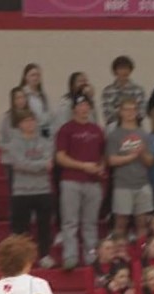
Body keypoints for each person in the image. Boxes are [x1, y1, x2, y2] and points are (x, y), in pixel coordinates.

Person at [55, 94, 106, 270]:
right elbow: (60, 157)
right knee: (70, 221)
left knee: (90, 222)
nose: (84, 108)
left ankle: (91, 255)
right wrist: (83, 166)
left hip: (93, 182)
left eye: (86, 105)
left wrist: (100, 167)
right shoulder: (66, 129)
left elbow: (102, 154)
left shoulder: (97, 130)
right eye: (80, 105)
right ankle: (70, 256)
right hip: (71, 181)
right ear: (74, 109)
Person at [7, 109, 55, 268]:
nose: (30, 124)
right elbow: (19, 164)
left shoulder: (45, 142)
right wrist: (39, 165)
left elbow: (49, 163)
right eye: (26, 121)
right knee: (20, 229)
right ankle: (21, 259)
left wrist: (31, 165)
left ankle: (45, 255)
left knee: (44, 227)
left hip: (43, 190)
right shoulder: (14, 143)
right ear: (20, 124)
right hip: (21, 191)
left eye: (32, 120)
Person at [106, 99, 154, 239]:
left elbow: (150, 161)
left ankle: (141, 249)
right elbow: (111, 160)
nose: (130, 112)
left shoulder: (144, 134)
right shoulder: (114, 135)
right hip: (122, 184)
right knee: (121, 223)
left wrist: (142, 153)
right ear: (120, 112)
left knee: (142, 222)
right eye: (126, 109)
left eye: (133, 109)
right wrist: (132, 156)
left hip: (142, 183)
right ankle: (118, 249)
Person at [0, 88, 30, 204]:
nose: (21, 100)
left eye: (23, 97)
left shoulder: (32, 117)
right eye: (18, 98)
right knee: (15, 192)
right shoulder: (6, 118)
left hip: (29, 160)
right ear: (13, 100)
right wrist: (13, 147)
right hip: (11, 161)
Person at [101, 55, 146, 129]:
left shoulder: (138, 90)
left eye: (126, 68)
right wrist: (125, 115)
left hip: (134, 125)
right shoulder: (108, 90)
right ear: (115, 71)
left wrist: (128, 118)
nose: (124, 71)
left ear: (130, 70)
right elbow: (107, 113)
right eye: (121, 68)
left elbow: (141, 112)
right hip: (114, 125)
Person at [18, 63, 52, 137]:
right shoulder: (22, 94)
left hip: (43, 132)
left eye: (38, 75)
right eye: (33, 75)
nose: (36, 78)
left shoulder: (42, 96)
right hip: (27, 133)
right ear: (25, 77)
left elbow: (48, 114)